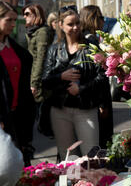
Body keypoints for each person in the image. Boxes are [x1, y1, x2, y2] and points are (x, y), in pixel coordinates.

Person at [42, 8, 109, 159]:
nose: (75, 27)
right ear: (61, 25)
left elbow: (103, 75)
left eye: (77, 23)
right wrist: (61, 76)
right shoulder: (54, 50)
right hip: (60, 110)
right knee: (68, 158)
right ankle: (74, 184)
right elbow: (45, 81)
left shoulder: (90, 46)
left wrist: (81, 88)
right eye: (70, 24)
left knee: (91, 156)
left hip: (85, 109)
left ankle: (92, 183)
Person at [0, 1, 36, 167]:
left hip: (18, 114)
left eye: (15, 20)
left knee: (18, 164)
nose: (13, 25)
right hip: (2, 115)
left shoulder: (16, 49)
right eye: (9, 20)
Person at [79, 5, 114, 149]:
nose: (103, 21)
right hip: (96, 98)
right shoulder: (91, 41)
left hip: (89, 98)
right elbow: (99, 75)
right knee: (100, 141)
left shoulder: (85, 39)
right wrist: (102, 103)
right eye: (101, 17)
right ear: (93, 19)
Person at [22, 4, 53, 105]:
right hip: (33, 74)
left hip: (40, 79)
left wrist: (34, 83)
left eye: (27, 14)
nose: (24, 16)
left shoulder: (42, 32)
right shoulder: (32, 31)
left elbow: (40, 58)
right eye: (24, 14)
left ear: (36, 15)